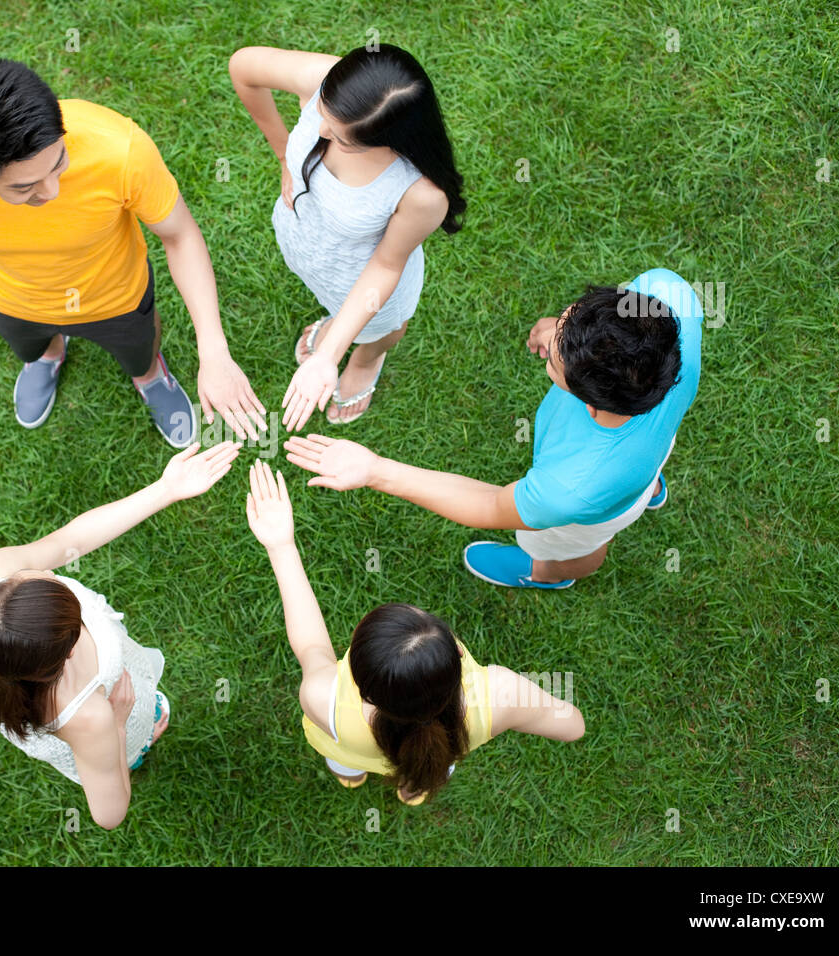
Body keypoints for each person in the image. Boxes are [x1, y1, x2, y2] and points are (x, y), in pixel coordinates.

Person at [0, 59, 266, 447]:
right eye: (25, 187)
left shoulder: (121, 149)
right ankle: (48, 355)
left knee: (139, 354)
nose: (51, 191)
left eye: (59, 163)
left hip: (117, 299)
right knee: (31, 346)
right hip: (9, 301)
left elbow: (181, 236)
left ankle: (150, 376)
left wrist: (215, 350)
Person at [284, 268, 703, 588]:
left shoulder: (568, 490)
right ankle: (648, 486)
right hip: (652, 447)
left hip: (595, 508)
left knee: (582, 545)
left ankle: (546, 571)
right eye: (570, 316)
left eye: (552, 363)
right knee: (643, 473)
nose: (549, 338)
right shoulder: (667, 298)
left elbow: (490, 506)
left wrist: (375, 469)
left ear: (590, 401)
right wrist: (564, 330)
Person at [244, 461, 584, 804]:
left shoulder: (321, 697)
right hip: (437, 758)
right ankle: (413, 791)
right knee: (427, 771)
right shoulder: (502, 693)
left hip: (348, 746)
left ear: (360, 685)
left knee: (343, 760)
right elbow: (573, 726)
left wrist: (282, 547)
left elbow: (311, 646)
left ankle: (351, 776)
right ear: (459, 655)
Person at [0, 439, 242, 829]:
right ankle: (142, 747)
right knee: (131, 736)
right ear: (71, 650)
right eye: (45, 578)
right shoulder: (89, 717)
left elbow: (65, 542)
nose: (46, 569)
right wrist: (120, 724)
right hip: (110, 719)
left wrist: (166, 489)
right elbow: (110, 814)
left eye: (38, 576)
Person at [229, 43, 466, 429]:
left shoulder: (422, 193)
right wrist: (282, 150)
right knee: (334, 308)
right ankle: (338, 329)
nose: (319, 130)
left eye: (341, 140)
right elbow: (243, 68)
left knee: (381, 330)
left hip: (363, 283)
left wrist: (328, 358)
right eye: (322, 112)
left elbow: (387, 265)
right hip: (306, 245)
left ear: (391, 140)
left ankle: (366, 359)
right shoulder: (327, 81)